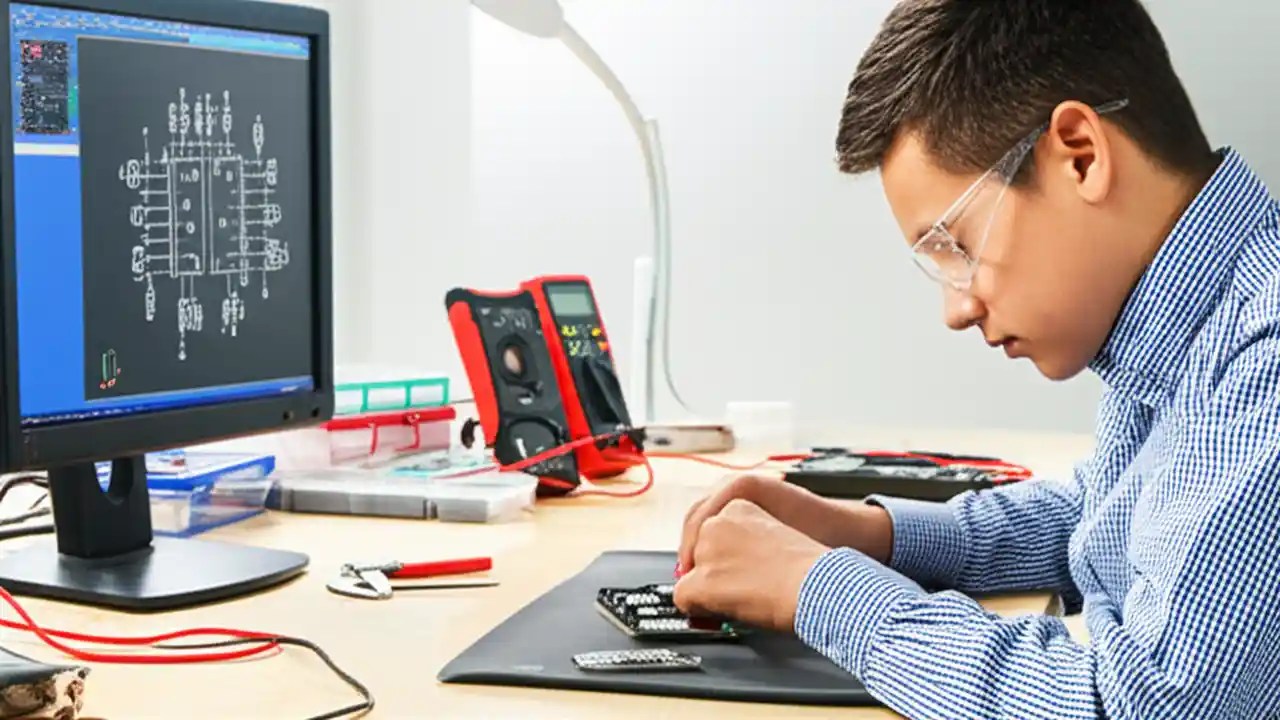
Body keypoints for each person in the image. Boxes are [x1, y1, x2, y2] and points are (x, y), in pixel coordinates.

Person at [671, 1, 1280, 718]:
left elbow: (1137, 707)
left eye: (956, 246)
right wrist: (872, 534)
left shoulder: (1263, 359)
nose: (955, 309)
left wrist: (818, 587)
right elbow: (1110, 514)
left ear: (1080, 155)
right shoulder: (1194, 317)